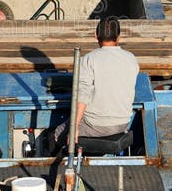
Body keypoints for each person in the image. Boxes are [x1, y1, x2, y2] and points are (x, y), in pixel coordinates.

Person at [52, 16, 139, 150]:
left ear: (96, 35)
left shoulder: (89, 59)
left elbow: (83, 96)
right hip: (122, 123)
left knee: (57, 135)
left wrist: (74, 127)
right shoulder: (131, 58)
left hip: (96, 125)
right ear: (119, 37)